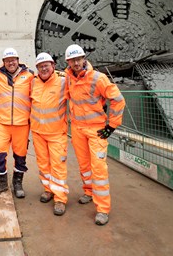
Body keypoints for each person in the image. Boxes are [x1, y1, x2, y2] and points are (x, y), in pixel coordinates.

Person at [64, 44, 125, 225]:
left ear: (84, 58)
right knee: (84, 165)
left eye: (79, 59)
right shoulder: (68, 78)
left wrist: (112, 125)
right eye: (72, 60)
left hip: (96, 130)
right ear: (68, 62)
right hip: (77, 128)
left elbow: (118, 100)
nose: (76, 63)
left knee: (98, 168)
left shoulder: (99, 78)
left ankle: (102, 209)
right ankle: (89, 192)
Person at [0, 48, 33, 198]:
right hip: (3, 124)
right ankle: (1, 182)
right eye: (7, 60)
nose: (11, 63)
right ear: (3, 62)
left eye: (13, 60)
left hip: (22, 125)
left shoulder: (30, 76)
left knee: (20, 155)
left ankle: (17, 183)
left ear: (18, 60)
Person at [30, 52, 69, 216]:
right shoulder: (33, 82)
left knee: (58, 166)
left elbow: (82, 78)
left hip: (56, 133)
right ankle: (48, 190)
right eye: (40, 66)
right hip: (38, 132)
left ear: (53, 65)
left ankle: (60, 198)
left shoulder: (63, 80)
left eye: (46, 65)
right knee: (43, 165)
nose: (43, 68)